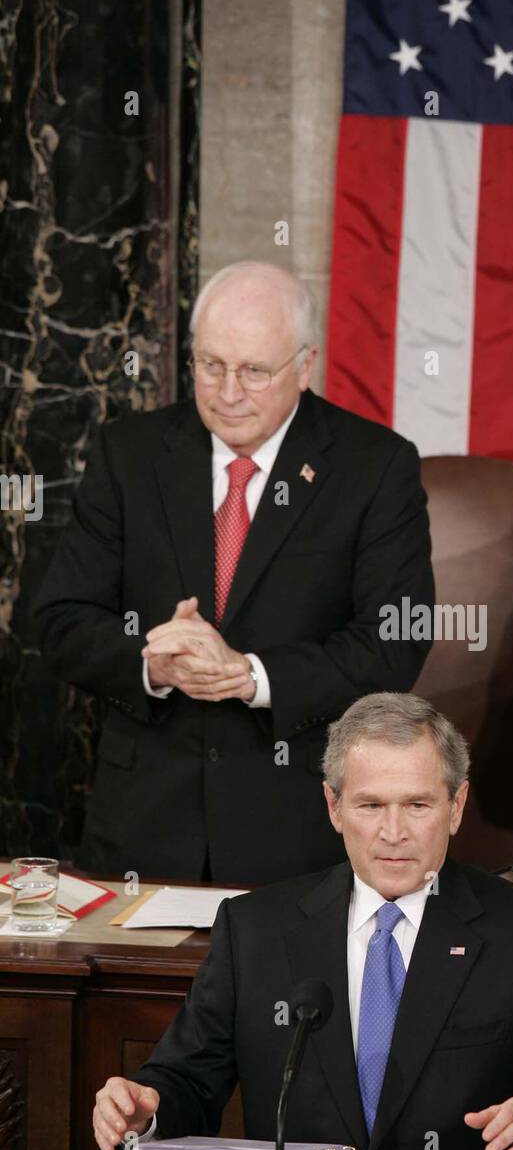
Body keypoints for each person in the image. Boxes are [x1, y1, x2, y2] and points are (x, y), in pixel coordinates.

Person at [92, 693, 513, 1150]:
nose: (393, 833)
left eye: (417, 805)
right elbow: (186, 1084)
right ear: (334, 807)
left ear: (457, 806)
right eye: (370, 806)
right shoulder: (254, 929)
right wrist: (147, 1111)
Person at [34, 263, 434, 884]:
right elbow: (62, 620)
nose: (227, 392)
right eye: (211, 365)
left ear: (305, 366)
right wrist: (150, 663)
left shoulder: (375, 467)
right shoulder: (129, 455)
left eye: (254, 371)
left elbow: (393, 642)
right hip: (141, 829)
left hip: (297, 830)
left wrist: (252, 676)